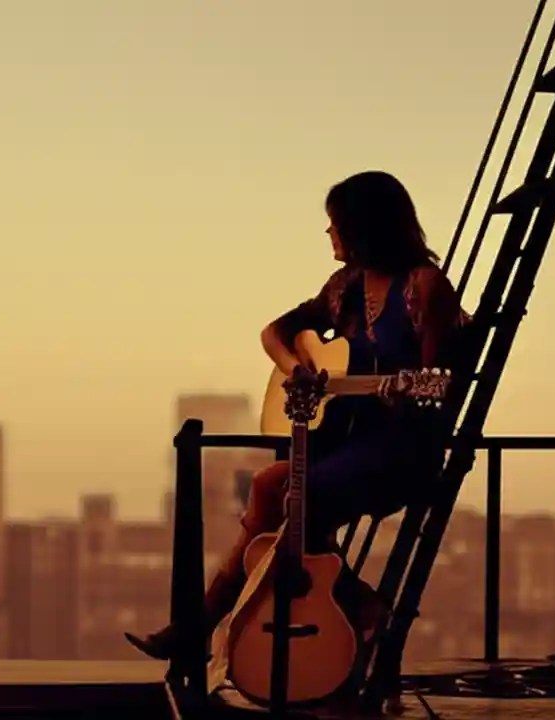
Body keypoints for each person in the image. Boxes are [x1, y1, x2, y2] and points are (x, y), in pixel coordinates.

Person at [125, 170, 469, 661]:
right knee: (267, 486)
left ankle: (206, 629)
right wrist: (297, 373)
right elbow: (274, 332)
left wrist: (404, 391)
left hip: (400, 450)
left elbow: (441, 382)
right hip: (348, 442)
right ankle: (207, 628)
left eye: (335, 223)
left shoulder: (423, 286)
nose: (329, 233)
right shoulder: (346, 287)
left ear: (363, 225)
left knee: (298, 495)